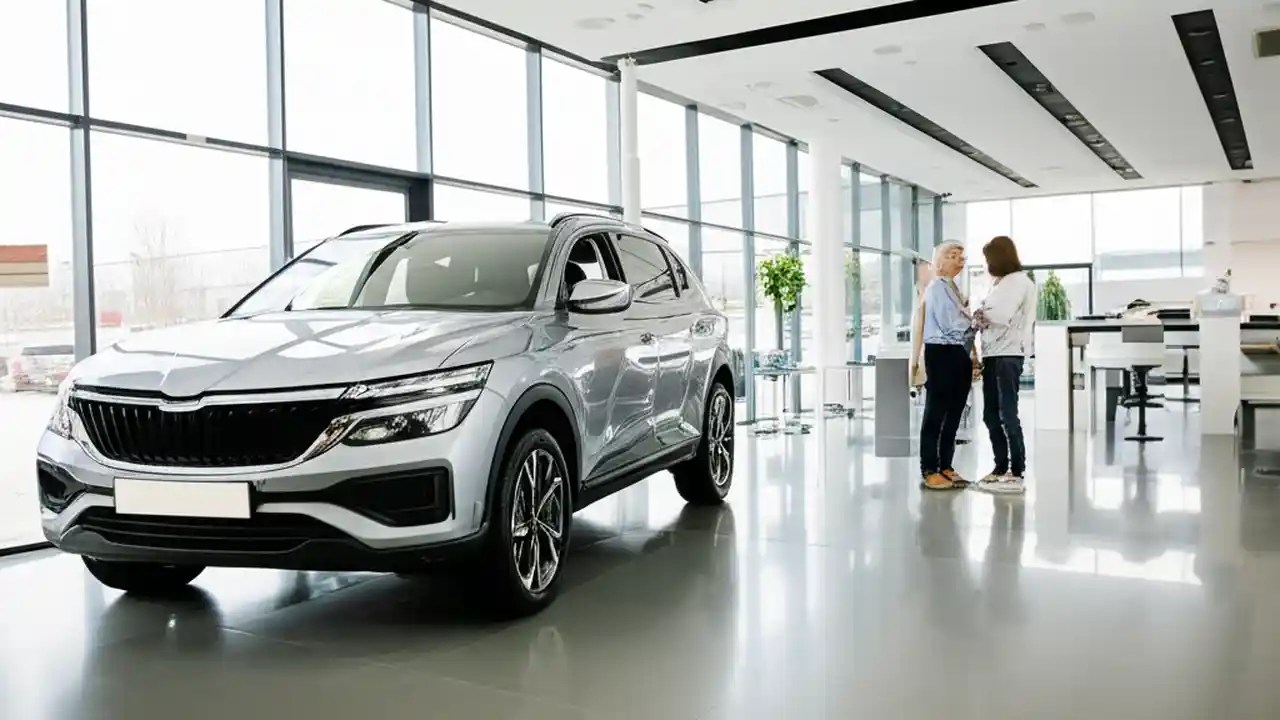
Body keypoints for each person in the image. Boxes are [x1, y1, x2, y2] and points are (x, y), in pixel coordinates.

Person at [973, 236, 1037, 495]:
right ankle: (1000, 467)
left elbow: (1001, 315)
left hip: (1007, 355)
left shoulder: (1018, 282)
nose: (987, 264)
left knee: (1007, 413)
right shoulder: (1003, 282)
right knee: (991, 414)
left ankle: (1016, 470)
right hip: (994, 355)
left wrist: (981, 314)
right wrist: (982, 314)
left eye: (989, 259)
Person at [913, 241, 978, 491]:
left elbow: (961, 324)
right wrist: (973, 323)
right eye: (953, 256)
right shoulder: (937, 288)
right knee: (936, 412)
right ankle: (930, 468)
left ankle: (946, 465)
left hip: (957, 352)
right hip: (941, 352)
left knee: (954, 412)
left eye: (962, 256)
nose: (959, 260)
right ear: (939, 262)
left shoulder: (953, 288)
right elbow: (952, 323)